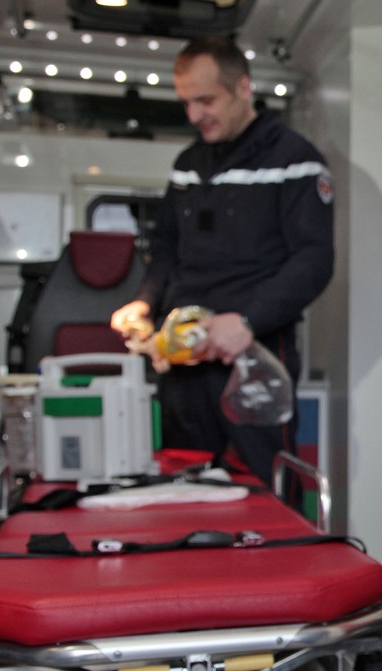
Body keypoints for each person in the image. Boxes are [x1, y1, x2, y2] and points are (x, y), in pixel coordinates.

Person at [110, 36, 333, 483]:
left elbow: (314, 260)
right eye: (187, 103)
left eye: (206, 100)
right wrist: (145, 301)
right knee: (182, 483)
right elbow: (167, 249)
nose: (195, 116)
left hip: (254, 356)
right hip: (183, 363)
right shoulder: (187, 163)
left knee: (263, 485)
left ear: (244, 88)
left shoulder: (295, 160)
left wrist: (246, 321)